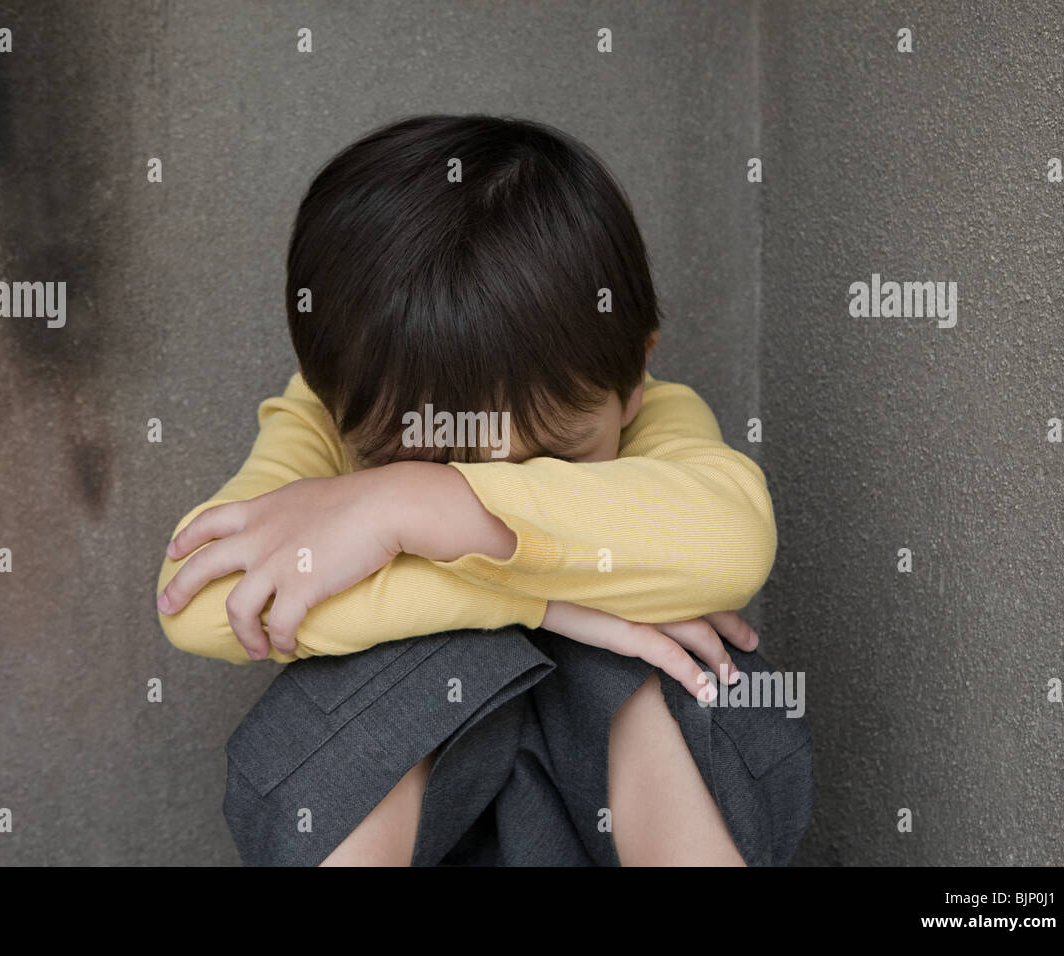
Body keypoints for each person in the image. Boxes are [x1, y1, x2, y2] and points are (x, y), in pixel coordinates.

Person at [156, 114, 813, 866]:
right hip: (424, 827)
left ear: (634, 376)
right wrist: (536, 601)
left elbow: (732, 542)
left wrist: (408, 505)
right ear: (333, 399)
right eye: (424, 464)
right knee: (410, 664)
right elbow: (198, 602)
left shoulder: (659, 411)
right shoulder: (318, 417)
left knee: (668, 664)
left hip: (599, 821)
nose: (480, 478)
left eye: (555, 459)